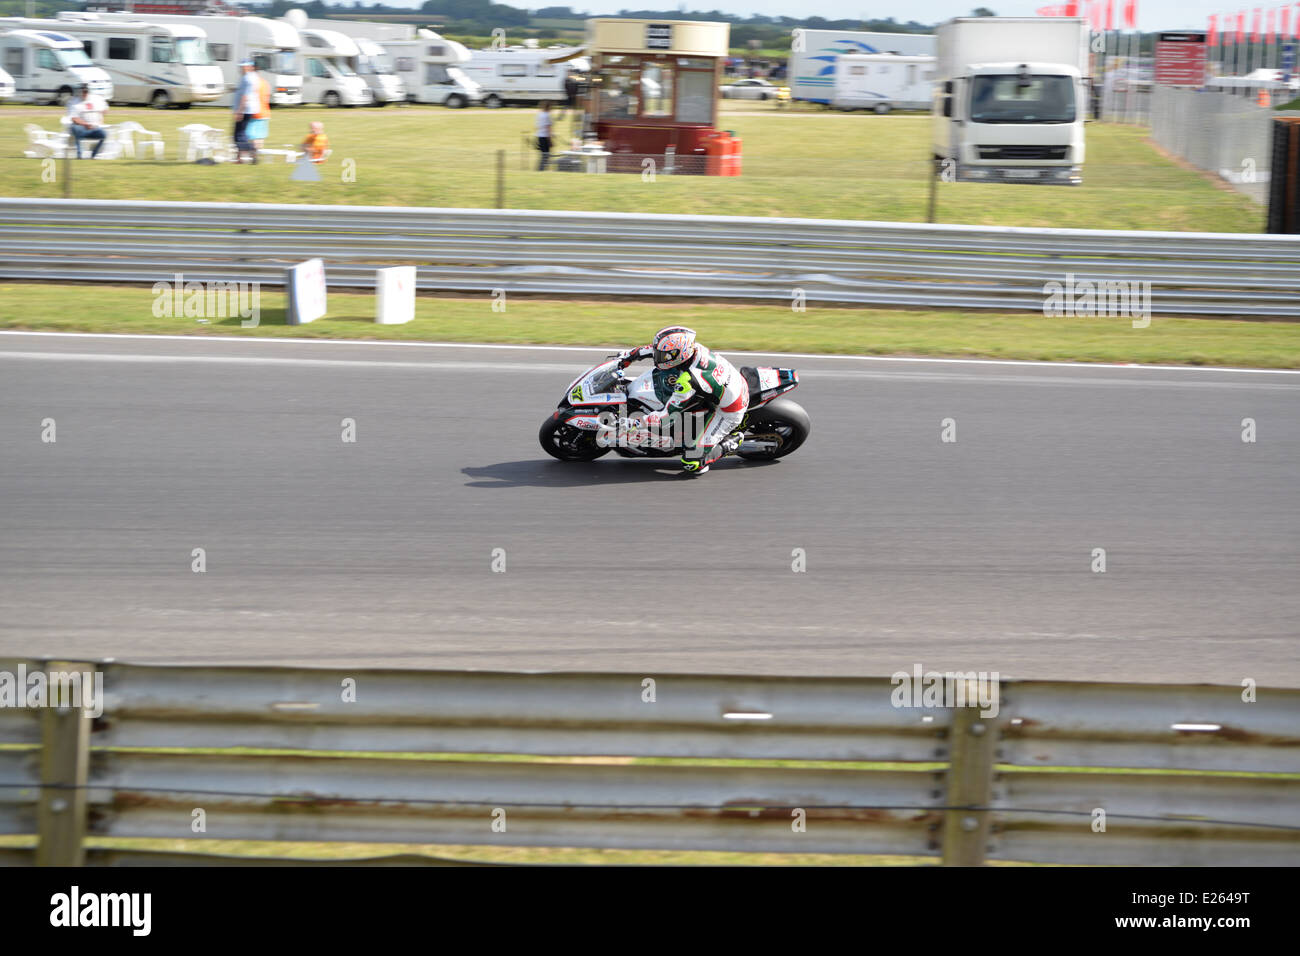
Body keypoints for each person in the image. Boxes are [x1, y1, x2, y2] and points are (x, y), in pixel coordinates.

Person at [614, 327, 749, 476]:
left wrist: (634, 423)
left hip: (729, 411)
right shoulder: (691, 349)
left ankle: (731, 442)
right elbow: (650, 349)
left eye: (662, 356)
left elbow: (666, 417)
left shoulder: (689, 381)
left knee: (692, 462)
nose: (657, 357)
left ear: (679, 355)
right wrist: (626, 357)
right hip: (725, 387)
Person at [232, 59, 265, 164]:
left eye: (243, 66)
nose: (241, 68)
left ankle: (251, 150)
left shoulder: (247, 78)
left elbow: (245, 96)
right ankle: (240, 158)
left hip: (245, 109)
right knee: (241, 134)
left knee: (238, 135)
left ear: (249, 67)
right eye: (241, 66)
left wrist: (239, 111)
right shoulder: (253, 77)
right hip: (249, 109)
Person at [66, 83, 108, 159]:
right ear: (79, 92)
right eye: (83, 91)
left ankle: (94, 153)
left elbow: (104, 110)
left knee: (104, 134)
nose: (84, 93)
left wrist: (100, 117)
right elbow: (74, 118)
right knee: (76, 129)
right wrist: (85, 124)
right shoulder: (74, 102)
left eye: (86, 91)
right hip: (81, 128)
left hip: (94, 128)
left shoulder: (95, 100)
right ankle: (80, 154)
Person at [535, 100, 553, 171]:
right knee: (546, 155)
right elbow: (548, 129)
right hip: (545, 137)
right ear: (548, 107)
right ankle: (541, 170)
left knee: (543, 155)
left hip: (539, 136)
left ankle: (541, 169)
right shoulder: (547, 116)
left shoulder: (539, 115)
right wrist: (550, 140)